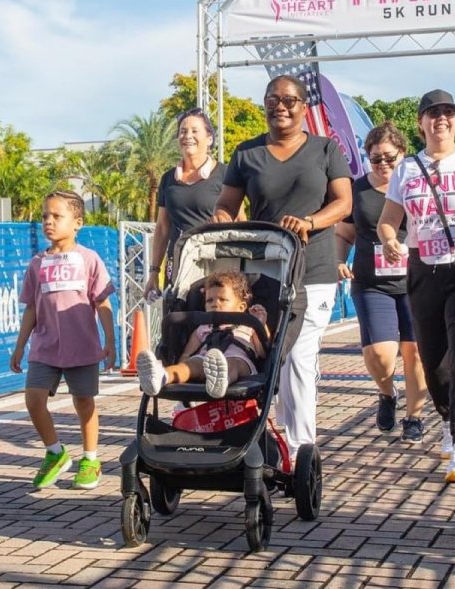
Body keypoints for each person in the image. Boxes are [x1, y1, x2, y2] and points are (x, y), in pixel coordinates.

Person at [212, 74, 353, 458]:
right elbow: (226, 204)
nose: (281, 106)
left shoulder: (325, 150)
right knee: (271, 355)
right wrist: (224, 219)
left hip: (315, 270)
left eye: (289, 100)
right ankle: (268, 439)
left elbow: (343, 203)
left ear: (303, 107)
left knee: (299, 356)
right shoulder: (247, 153)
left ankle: (300, 448)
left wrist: (310, 222)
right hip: (266, 271)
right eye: (272, 99)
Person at [376, 89, 455, 484]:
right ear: (421, 122)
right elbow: (388, 220)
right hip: (423, 269)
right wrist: (390, 239)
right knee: (436, 363)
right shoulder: (407, 169)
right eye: (433, 114)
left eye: (448, 113)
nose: (442, 119)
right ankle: (447, 418)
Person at [10, 190, 117, 491]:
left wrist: (110, 340)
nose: (49, 221)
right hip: (44, 348)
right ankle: (55, 452)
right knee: (33, 399)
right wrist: (21, 345)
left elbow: (103, 303)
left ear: (77, 222)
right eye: (45, 215)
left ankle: (91, 459)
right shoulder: (36, 263)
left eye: (57, 216)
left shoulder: (89, 259)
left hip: (82, 347)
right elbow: (31, 307)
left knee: (84, 402)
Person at [335, 122, 428, 442]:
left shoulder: (418, 185)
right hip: (371, 283)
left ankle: (414, 417)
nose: (384, 165)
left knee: (415, 353)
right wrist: (338, 259)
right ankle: (387, 393)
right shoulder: (357, 190)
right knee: (381, 355)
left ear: (403, 154)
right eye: (376, 159)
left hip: (417, 280)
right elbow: (345, 233)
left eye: (390, 158)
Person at [136, 271, 269, 399]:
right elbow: (187, 353)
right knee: (191, 364)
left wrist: (261, 325)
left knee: (233, 364)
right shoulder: (203, 327)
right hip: (206, 361)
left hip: (239, 360)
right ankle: (161, 376)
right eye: (209, 300)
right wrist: (184, 365)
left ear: (241, 307)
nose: (215, 304)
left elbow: (262, 353)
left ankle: (222, 380)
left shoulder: (248, 325)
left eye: (222, 299)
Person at [143, 109, 228, 301]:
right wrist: (154, 272)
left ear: (209, 138)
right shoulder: (168, 179)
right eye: (182, 131)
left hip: (215, 265)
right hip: (178, 265)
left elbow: (239, 220)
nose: (187, 136)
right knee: (177, 322)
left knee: (214, 323)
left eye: (194, 131)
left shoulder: (225, 174)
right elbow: (163, 228)